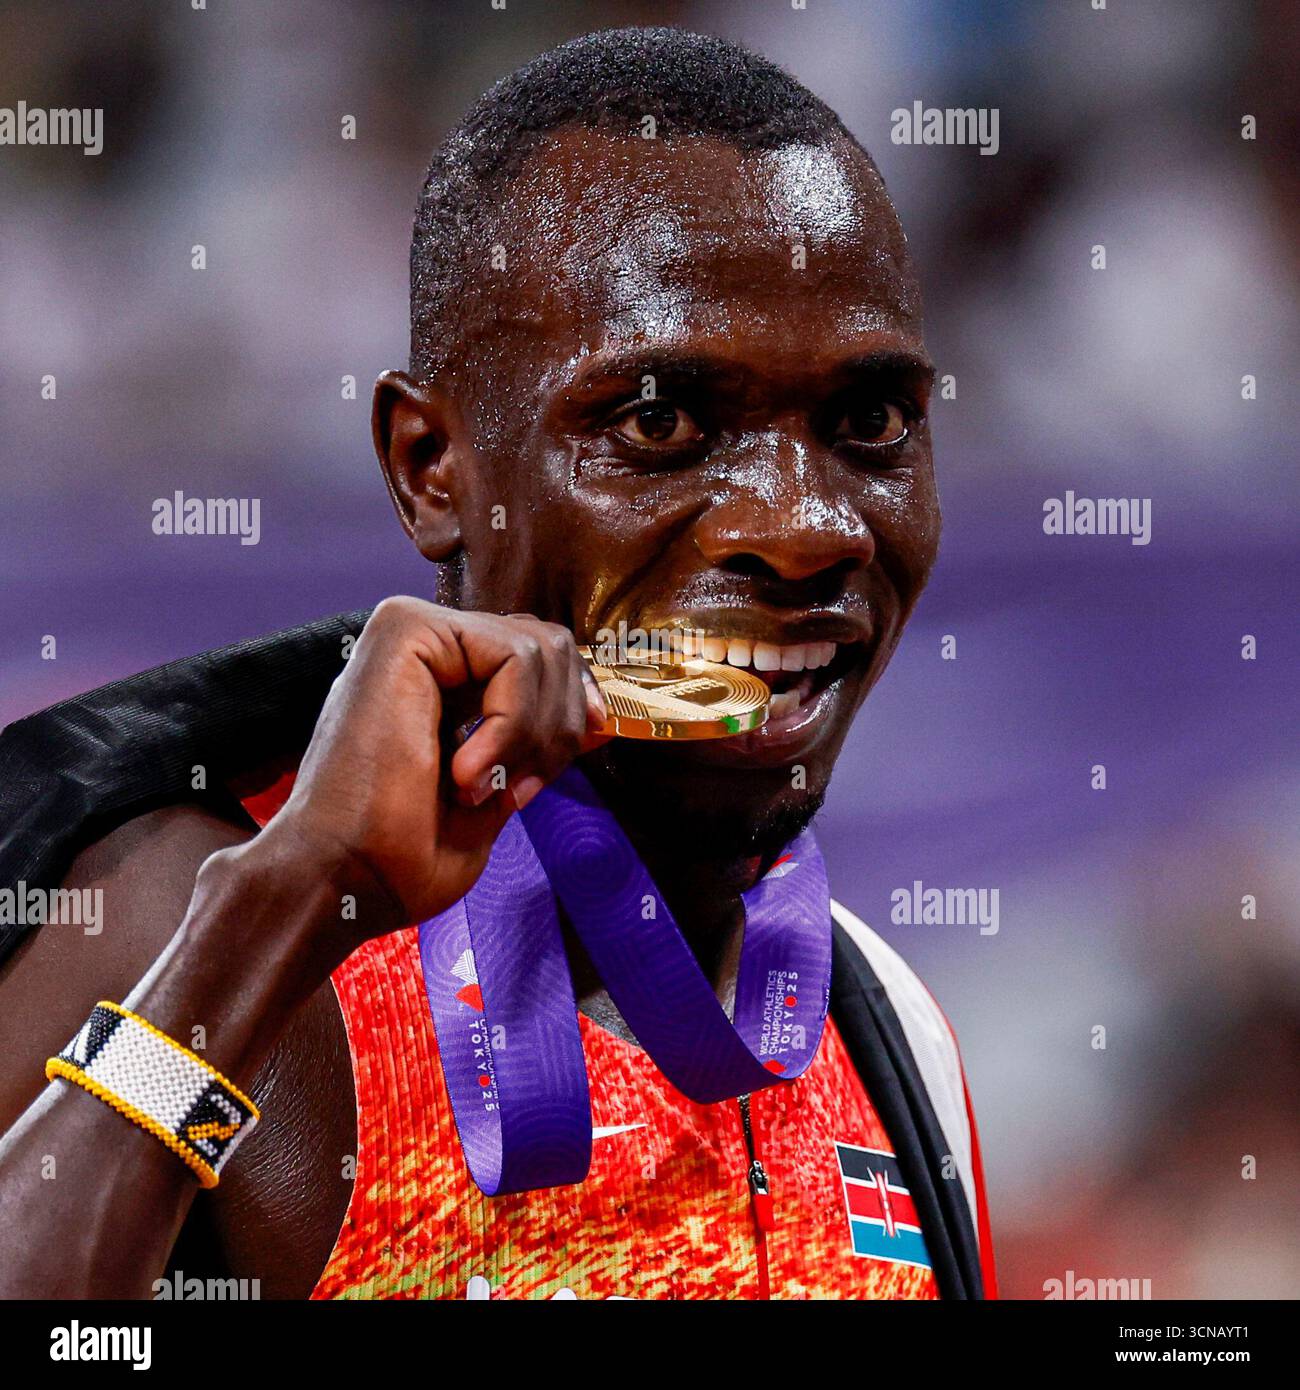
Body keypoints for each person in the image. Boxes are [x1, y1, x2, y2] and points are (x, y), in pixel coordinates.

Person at [0, 27, 995, 1301]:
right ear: (431, 469)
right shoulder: (175, 920)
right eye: (659, 421)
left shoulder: (890, 1026)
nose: (803, 525)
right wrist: (271, 920)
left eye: (868, 422)